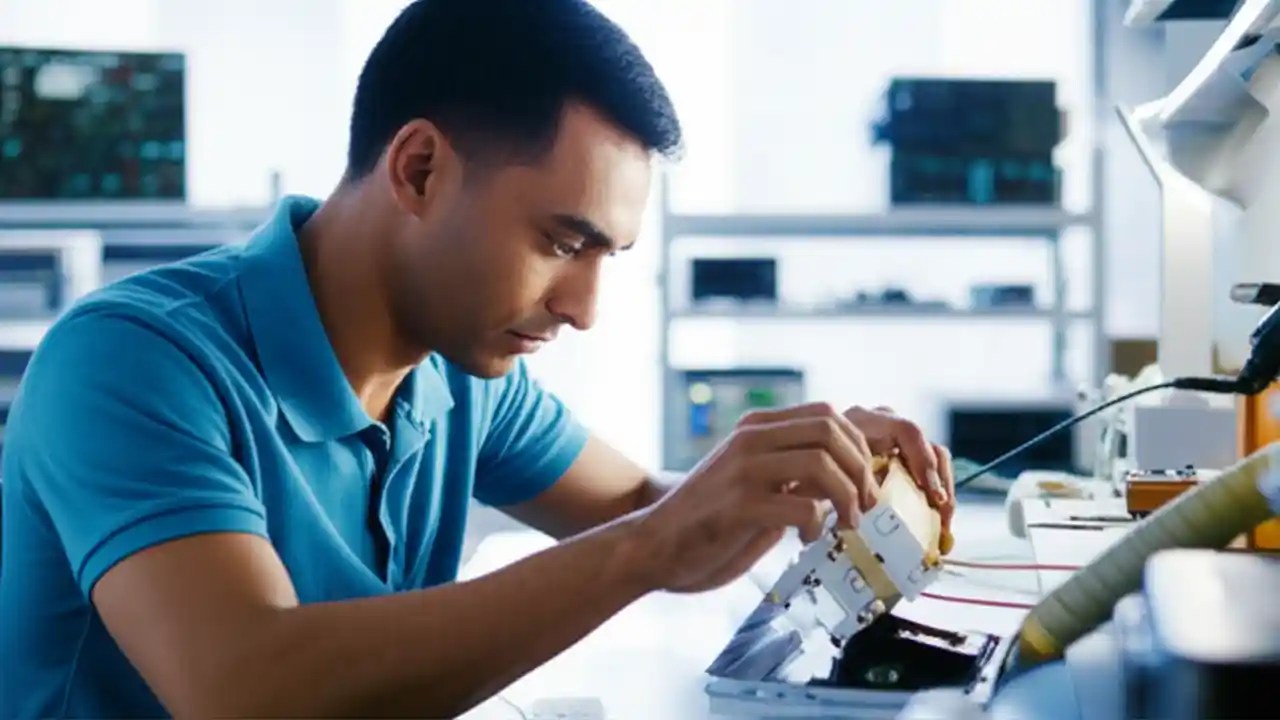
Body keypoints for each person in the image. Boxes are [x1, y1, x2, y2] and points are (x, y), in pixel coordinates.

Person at [0, 0, 956, 717]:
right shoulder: (130, 362)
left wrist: (787, 478)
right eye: (561, 242)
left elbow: (647, 514)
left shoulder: (456, 376)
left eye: (606, 256)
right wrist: (658, 541)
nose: (583, 309)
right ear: (418, 168)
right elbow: (247, 686)